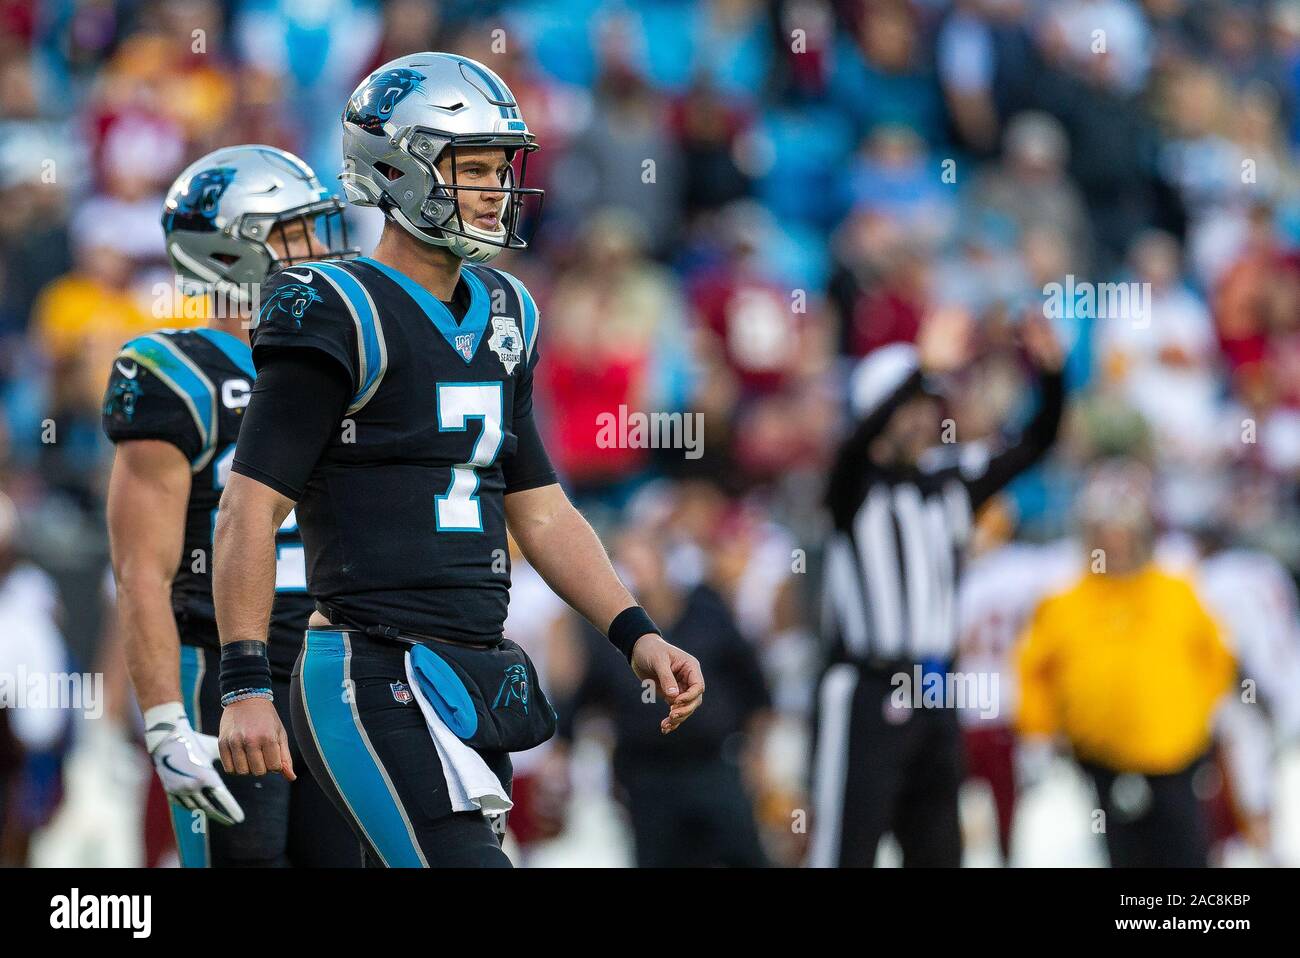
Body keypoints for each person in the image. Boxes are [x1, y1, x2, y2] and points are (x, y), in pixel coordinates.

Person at [211, 53, 705, 868]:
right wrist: (244, 683)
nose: (493, 188)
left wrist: (635, 633)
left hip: (474, 672)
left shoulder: (508, 310)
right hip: (370, 669)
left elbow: (540, 508)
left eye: (498, 167)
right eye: (469, 166)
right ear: (396, 168)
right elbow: (249, 508)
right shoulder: (332, 308)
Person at [102, 145, 360, 867]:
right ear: (229, 250)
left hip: (331, 670)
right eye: (295, 234)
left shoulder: (336, 358)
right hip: (222, 670)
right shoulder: (172, 374)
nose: (318, 251)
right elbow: (141, 572)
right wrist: (163, 722)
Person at [811, 308, 1064, 867]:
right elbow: (853, 448)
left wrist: (1051, 377)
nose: (924, 421)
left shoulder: (950, 483)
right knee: (845, 851)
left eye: (929, 408)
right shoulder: (853, 488)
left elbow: (1035, 444)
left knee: (939, 853)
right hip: (868, 692)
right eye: (910, 408)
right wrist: (920, 369)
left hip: (935, 692)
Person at [1016, 461, 1236, 867]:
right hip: (1101, 762)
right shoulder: (1064, 603)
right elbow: (1034, 673)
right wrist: (1040, 731)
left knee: (1186, 855)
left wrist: (1196, 714)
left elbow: (1217, 657)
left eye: (1124, 534)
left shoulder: (1176, 591)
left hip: (1176, 761)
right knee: (1121, 856)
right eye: (1105, 535)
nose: (1115, 546)